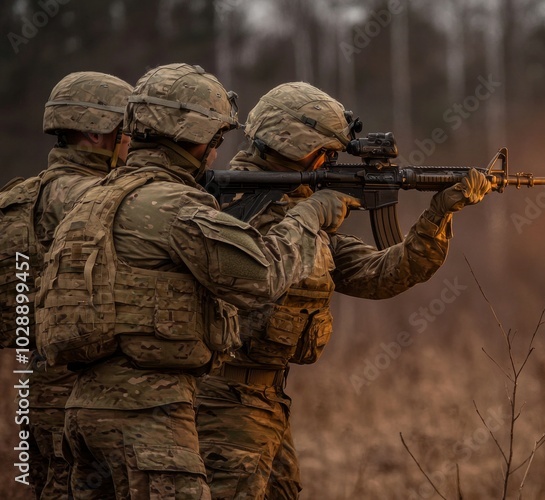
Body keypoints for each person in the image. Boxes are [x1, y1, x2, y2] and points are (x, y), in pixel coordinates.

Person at [35, 64, 354, 500]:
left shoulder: (92, 196)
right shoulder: (176, 206)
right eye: (216, 139)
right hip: (149, 411)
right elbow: (259, 277)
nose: (218, 152)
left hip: (84, 409)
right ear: (195, 136)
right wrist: (309, 214)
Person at [194, 82, 490, 499]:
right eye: (326, 151)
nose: (332, 160)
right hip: (221, 406)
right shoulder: (225, 209)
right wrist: (310, 214)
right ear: (295, 144)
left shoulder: (299, 212)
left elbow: (382, 274)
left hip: (266, 400)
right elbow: (253, 273)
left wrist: (439, 214)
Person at [0, 71, 133, 499]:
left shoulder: (15, 198)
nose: (132, 142)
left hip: (34, 384)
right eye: (126, 131)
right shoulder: (100, 200)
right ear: (97, 134)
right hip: (85, 388)